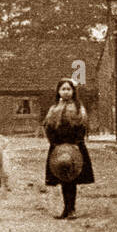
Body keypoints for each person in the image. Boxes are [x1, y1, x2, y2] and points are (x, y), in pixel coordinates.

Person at [44, 78, 94, 219]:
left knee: (72, 178)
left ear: (73, 92)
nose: (66, 92)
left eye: (68, 89)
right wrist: (53, 142)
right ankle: (66, 209)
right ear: (58, 92)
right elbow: (48, 127)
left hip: (74, 146)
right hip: (58, 146)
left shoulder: (78, 109)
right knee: (62, 176)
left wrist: (77, 142)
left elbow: (82, 127)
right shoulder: (54, 109)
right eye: (63, 89)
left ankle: (72, 208)